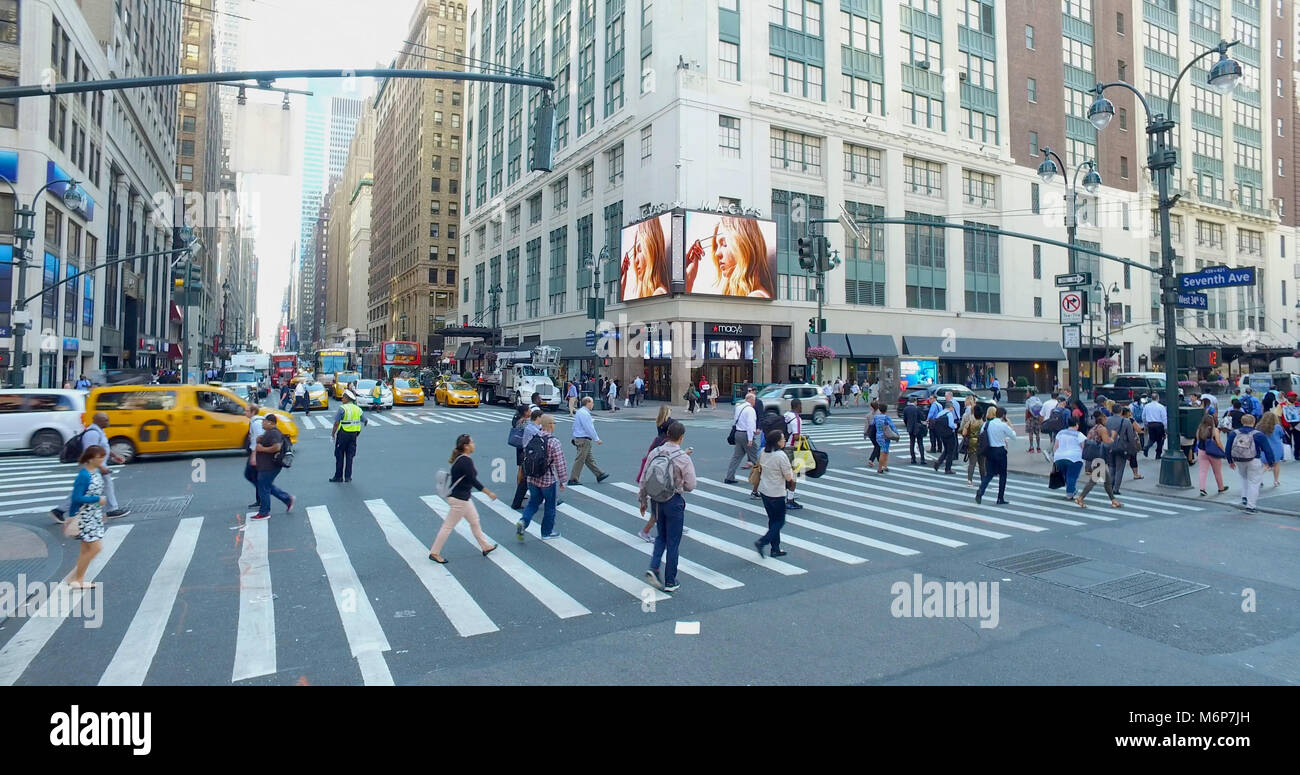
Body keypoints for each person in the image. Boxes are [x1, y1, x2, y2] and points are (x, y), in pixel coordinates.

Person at [638, 421, 696, 593]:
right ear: (682, 437)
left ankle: (654, 567)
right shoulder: (683, 457)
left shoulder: (655, 452)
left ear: (668, 434)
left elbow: (644, 477)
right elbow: (691, 485)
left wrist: (642, 500)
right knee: (673, 542)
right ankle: (670, 580)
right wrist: (680, 486)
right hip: (674, 500)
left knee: (661, 536)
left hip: (656, 500)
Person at [428, 434, 498, 563]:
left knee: (474, 521)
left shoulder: (461, 459)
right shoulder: (465, 461)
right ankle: (434, 552)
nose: (474, 444)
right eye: (472, 442)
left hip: (463, 498)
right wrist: (489, 493)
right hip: (459, 500)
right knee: (448, 526)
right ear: (466, 446)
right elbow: (473, 480)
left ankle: (485, 546)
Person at [51, 412, 129, 522]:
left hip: (97, 465)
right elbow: (90, 452)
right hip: (92, 466)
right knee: (93, 488)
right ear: (98, 421)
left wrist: (115, 456)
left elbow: (103, 448)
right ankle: (112, 510)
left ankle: (59, 511)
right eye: (105, 420)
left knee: (97, 487)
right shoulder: (92, 434)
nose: (108, 422)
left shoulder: (99, 432)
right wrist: (101, 467)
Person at [684, 216, 775, 298]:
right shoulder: (745, 295)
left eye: (724, 244)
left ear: (744, 246)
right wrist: (689, 279)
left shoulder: (756, 296)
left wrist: (688, 283)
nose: (717, 254)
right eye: (717, 246)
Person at [66, 445, 111, 588]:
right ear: (91, 458)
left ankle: (75, 578)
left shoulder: (95, 471)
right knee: (95, 548)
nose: (102, 459)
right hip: (85, 517)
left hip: (93, 515)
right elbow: (76, 498)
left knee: (86, 550)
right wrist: (97, 500)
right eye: (100, 457)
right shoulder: (83, 476)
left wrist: (98, 510)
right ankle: (77, 579)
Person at [517, 414, 567, 539]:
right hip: (547, 480)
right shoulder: (554, 442)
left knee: (533, 502)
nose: (554, 425)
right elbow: (560, 463)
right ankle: (547, 532)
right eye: (554, 423)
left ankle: (523, 521)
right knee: (550, 506)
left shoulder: (533, 438)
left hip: (532, 478)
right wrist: (563, 480)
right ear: (550, 425)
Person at [635, 406, 676, 540]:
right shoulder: (666, 445)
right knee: (659, 510)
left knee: (665, 507)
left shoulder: (658, 437)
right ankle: (645, 531)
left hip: (654, 478)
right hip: (660, 481)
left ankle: (674, 525)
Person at [754, 429, 794, 558]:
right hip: (776, 492)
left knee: (773, 520)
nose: (784, 441)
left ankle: (775, 548)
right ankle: (763, 541)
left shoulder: (764, 453)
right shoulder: (781, 456)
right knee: (780, 521)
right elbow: (788, 478)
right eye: (783, 439)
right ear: (777, 442)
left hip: (765, 490)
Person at [1226, 414, 1276, 513]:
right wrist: (1271, 463)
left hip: (1239, 459)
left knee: (1244, 478)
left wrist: (1230, 461)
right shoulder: (1258, 434)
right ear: (1253, 422)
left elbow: (1228, 448)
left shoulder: (1234, 433)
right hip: (1254, 459)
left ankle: (1244, 497)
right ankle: (1251, 506)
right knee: (1254, 482)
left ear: (1242, 422)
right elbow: (1267, 450)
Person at [252, 415, 294, 520]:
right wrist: (260, 440)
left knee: (263, 487)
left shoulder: (273, 433)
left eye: (264, 421)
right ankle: (288, 499)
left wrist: (262, 449)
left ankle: (264, 512)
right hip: (267, 465)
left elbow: (277, 447)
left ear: (270, 422)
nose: (262, 423)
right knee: (267, 486)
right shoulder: (269, 432)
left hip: (269, 466)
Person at [1076, 412, 1121, 509]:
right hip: (1099, 457)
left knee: (1107, 481)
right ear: (1102, 419)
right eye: (1105, 418)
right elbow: (1107, 442)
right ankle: (1080, 498)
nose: (1107, 420)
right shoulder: (1102, 429)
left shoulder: (1093, 429)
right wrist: (1113, 436)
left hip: (1093, 457)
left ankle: (1114, 500)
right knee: (1094, 480)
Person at [621, 217, 670, 300]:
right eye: (635, 254)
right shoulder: (651, 293)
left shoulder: (658, 293)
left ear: (652, 248)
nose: (635, 261)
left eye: (640, 250)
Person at [976, 406, 1017, 505]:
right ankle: (1000, 498)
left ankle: (981, 490)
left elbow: (981, 433)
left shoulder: (987, 424)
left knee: (989, 474)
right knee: (1003, 475)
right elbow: (1013, 436)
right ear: (1003, 415)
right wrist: (1010, 426)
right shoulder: (1002, 425)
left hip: (989, 450)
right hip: (1000, 450)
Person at [568, 396, 609, 485]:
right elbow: (589, 428)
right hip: (583, 439)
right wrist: (596, 439)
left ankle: (599, 474)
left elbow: (575, 426)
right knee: (580, 460)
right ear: (588, 403)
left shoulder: (580, 412)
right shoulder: (584, 414)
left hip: (581, 438)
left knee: (588, 459)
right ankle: (573, 479)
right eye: (592, 402)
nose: (593, 404)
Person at [330, 390, 368, 483]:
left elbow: (336, 423)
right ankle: (348, 477)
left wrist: (333, 434)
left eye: (343, 397)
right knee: (350, 456)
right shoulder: (357, 409)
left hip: (343, 434)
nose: (342, 399)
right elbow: (365, 420)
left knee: (339, 455)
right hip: (353, 435)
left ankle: (338, 477)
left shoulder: (342, 408)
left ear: (347, 398)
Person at [723, 392, 760, 483]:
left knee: (736, 457)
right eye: (754, 400)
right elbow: (751, 424)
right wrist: (750, 439)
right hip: (746, 434)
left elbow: (735, 420)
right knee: (755, 456)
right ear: (750, 399)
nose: (755, 402)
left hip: (738, 433)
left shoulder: (739, 407)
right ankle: (762, 477)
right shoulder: (750, 410)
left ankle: (729, 477)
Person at [511, 407, 542, 510]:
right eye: (528, 410)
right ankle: (552, 500)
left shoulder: (520, 422)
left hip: (522, 450)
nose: (530, 411)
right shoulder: (528, 425)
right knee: (534, 476)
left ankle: (517, 501)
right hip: (530, 454)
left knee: (524, 475)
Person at [1105, 405, 1138, 495]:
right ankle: (1116, 488)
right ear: (1120, 412)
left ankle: (1110, 486)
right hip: (1121, 447)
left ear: (1112, 411)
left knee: (1111, 467)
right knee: (1120, 468)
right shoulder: (1126, 421)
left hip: (1109, 446)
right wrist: (1133, 449)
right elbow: (1131, 437)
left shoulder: (1107, 420)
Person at [1052, 415, 1086, 501]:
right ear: (1077, 425)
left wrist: (1055, 456)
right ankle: (1070, 493)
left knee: (1066, 475)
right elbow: (1083, 447)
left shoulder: (1061, 432)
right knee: (1072, 476)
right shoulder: (1079, 435)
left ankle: (1072, 490)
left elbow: (1055, 446)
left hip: (1059, 457)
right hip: (1074, 458)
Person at [1194, 413, 1229, 497]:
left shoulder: (1200, 429)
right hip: (1213, 452)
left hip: (1202, 451)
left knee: (1203, 471)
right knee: (1217, 471)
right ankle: (1220, 487)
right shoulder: (1214, 430)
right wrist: (1223, 451)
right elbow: (1218, 442)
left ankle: (1202, 489)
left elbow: (1198, 439)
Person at [781, 398, 805, 510]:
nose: (802, 408)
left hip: (782, 447)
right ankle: (790, 500)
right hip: (791, 449)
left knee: (784, 474)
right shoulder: (797, 419)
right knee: (794, 475)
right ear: (798, 406)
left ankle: (783, 495)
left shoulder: (786, 415)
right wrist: (804, 439)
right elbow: (796, 436)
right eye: (801, 406)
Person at [242, 403, 265, 509]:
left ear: (253, 412)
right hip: (255, 453)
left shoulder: (256, 423)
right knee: (254, 476)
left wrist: (254, 456)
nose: (244, 412)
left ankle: (284, 497)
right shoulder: (253, 422)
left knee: (250, 475)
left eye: (247, 410)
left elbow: (258, 440)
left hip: (257, 454)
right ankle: (260, 498)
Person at [931, 391, 960, 474]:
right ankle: (948, 468)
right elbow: (951, 425)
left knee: (946, 449)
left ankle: (938, 463)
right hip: (949, 434)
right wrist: (955, 426)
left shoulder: (940, 413)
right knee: (950, 451)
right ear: (950, 407)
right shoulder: (949, 414)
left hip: (942, 434)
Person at [963, 406, 990, 487]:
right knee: (982, 463)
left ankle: (969, 480)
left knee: (972, 463)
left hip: (972, 442)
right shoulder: (983, 423)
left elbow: (964, 432)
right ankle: (983, 479)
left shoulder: (970, 422)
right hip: (981, 443)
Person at [1257, 412, 1285, 488]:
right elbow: (1282, 435)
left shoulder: (1259, 427)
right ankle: (1276, 481)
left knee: (1264, 464)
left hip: (1264, 448)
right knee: (1276, 464)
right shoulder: (1278, 427)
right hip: (1277, 447)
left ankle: (1259, 479)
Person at [873, 403, 900, 474]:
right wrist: (897, 434)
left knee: (885, 451)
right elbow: (892, 426)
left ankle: (885, 466)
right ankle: (879, 468)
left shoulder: (876, 417)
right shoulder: (886, 418)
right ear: (886, 410)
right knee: (883, 452)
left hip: (878, 435)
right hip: (885, 436)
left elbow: (872, 424)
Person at [902, 395, 927, 465]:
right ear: (915, 401)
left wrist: (907, 425)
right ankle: (922, 459)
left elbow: (905, 419)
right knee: (920, 443)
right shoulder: (917, 409)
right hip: (918, 427)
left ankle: (913, 459)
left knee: (912, 443)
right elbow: (922, 418)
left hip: (910, 427)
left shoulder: (906, 409)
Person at [1141, 393, 1167, 457]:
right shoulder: (1161, 407)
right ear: (1158, 398)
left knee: (1152, 439)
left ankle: (1146, 447)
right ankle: (1158, 454)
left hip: (1150, 424)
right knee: (1160, 440)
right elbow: (1164, 417)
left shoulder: (1147, 406)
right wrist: (1165, 427)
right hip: (1159, 424)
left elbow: (1143, 416)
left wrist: (1146, 424)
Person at [1282, 392, 1300, 460]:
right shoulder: (1282, 405)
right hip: (1286, 425)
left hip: (1297, 425)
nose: (1294, 398)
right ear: (1288, 397)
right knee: (1287, 441)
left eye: (1295, 397)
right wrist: (1281, 425)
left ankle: (1297, 455)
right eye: (1292, 396)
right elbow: (1278, 416)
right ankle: (1287, 455)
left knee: (1298, 441)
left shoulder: (1298, 405)